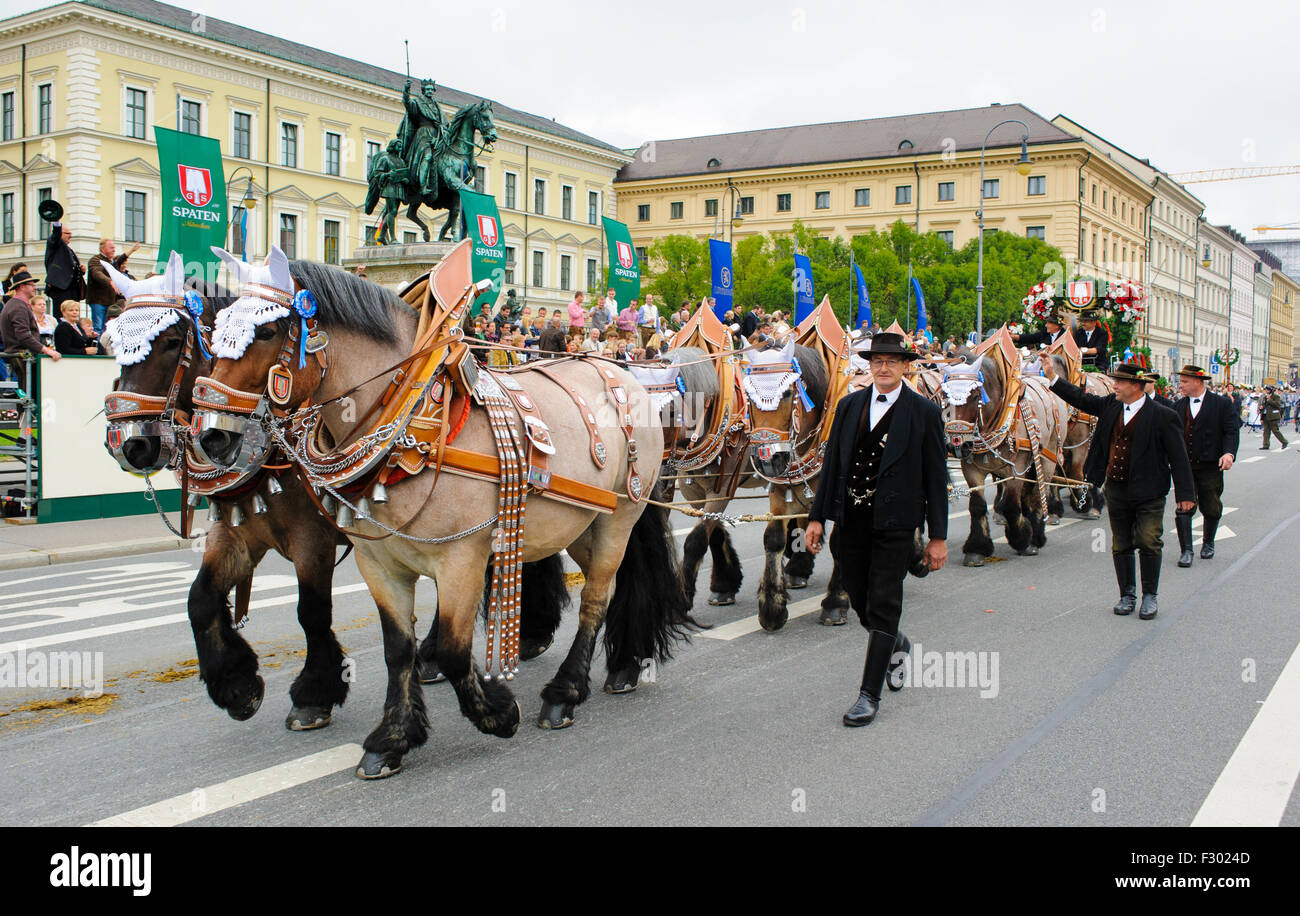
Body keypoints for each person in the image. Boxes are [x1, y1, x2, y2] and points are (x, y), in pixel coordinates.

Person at [805, 332, 948, 727]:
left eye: (891, 361)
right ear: (870, 366)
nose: (883, 367)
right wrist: (817, 517)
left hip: (895, 526)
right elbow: (831, 464)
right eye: (877, 361)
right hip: (850, 523)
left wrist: (938, 537)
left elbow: (936, 480)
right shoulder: (849, 406)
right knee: (865, 605)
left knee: (884, 604)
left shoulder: (923, 413)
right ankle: (896, 642)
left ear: (905, 366)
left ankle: (868, 695)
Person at [1041, 359, 1194, 620]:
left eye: (1120, 382)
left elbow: (1179, 458)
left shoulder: (1164, 415)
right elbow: (1080, 398)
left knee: (1148, 541)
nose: (1115, 386)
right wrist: (1053, 377)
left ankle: (1149, 596)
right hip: (1117, 488)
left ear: (1136, 386)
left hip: (1150, 491)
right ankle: (1127, 594)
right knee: (1120, 543)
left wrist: (1186, 495)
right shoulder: (1111, 406)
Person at [1171, 365, 1239, 566]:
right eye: (1180, 381)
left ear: (1198, 382)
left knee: (1211, 506)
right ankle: (1186, 551)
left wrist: (1228, 453)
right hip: (1185, 467)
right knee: (1183, 506)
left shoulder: (1222, 404)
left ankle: (1208, 542)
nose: (1180, 385)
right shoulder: (1177, 406)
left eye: (1184, 382)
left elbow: (1231, 431)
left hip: (1210, 466)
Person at [1, 270, 63, 387]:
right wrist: (46, 350)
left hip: (22, 355)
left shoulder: (18, 305)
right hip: (22, 355)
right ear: (21, 286)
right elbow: (23, 336)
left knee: (28, 392)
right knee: (29, 392)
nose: (35, 287)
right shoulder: (18, 306)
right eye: (31, 285)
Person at [86, 238, 140, 333]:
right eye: (111, 247)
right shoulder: (95, 260)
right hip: (98, 301)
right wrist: (110, 281)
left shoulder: (110, 262)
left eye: (114, 248)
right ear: (102, 249)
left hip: (109, 301)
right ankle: (99, 347)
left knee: (108, 328)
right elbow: (97, 273)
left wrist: (132, 250)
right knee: (98, 328)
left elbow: (120, 260)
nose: (113, 250)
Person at [44, 221, 86, 310]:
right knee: (62, 316)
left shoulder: (68, 249)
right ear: (60, 234)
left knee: (72, 316)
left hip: (72, 290)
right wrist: (56, 223)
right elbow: (55, 236)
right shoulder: (55, 244)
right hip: (61, 288)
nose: (70, 235)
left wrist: (81, 270)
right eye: (67, 233)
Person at [1260, 385, 1288, 449]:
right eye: (1266, 390)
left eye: (1268, 390)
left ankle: (1284, 442)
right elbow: (1263, 406)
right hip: (1265, 416)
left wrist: (1270, 400)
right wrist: (1261, 409)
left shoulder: (1276, 396)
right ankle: (1266, 445)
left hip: (1273, 416)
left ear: (1271, 390)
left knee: (1275, 430)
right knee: (1266, 431)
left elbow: (1278, 405)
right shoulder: (1265, 397)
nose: (1266, 391)